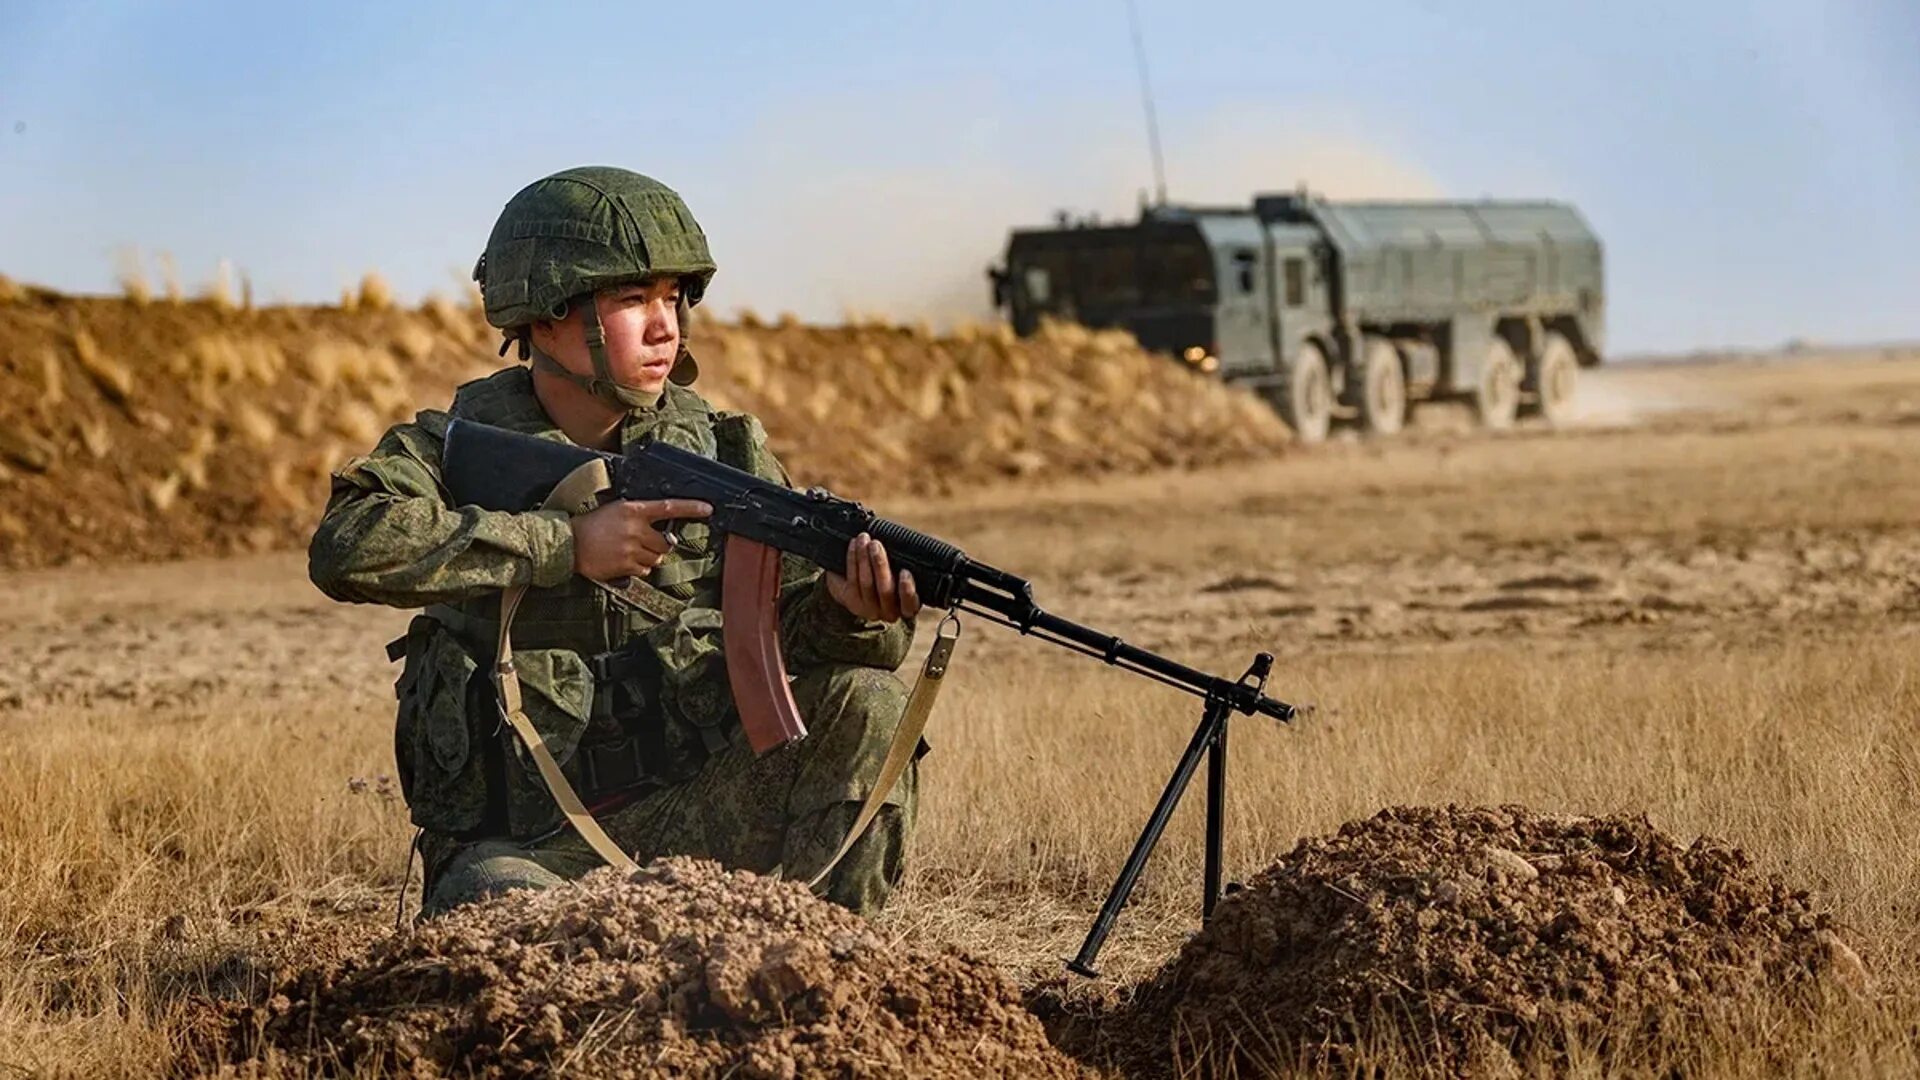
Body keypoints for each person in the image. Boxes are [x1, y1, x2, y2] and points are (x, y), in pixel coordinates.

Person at [309, 166, 923, 917]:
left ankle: (817, 985)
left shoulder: (727, 454)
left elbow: (786, 639)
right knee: (503, 921)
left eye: (673, 298)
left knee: (869, 704)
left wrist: (846, 611)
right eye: (633, 300)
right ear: (544, 316)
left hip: (700, 811)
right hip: (532, 848)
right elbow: (348, 543)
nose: (665, 326)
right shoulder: (448, 449)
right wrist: (564, 545)